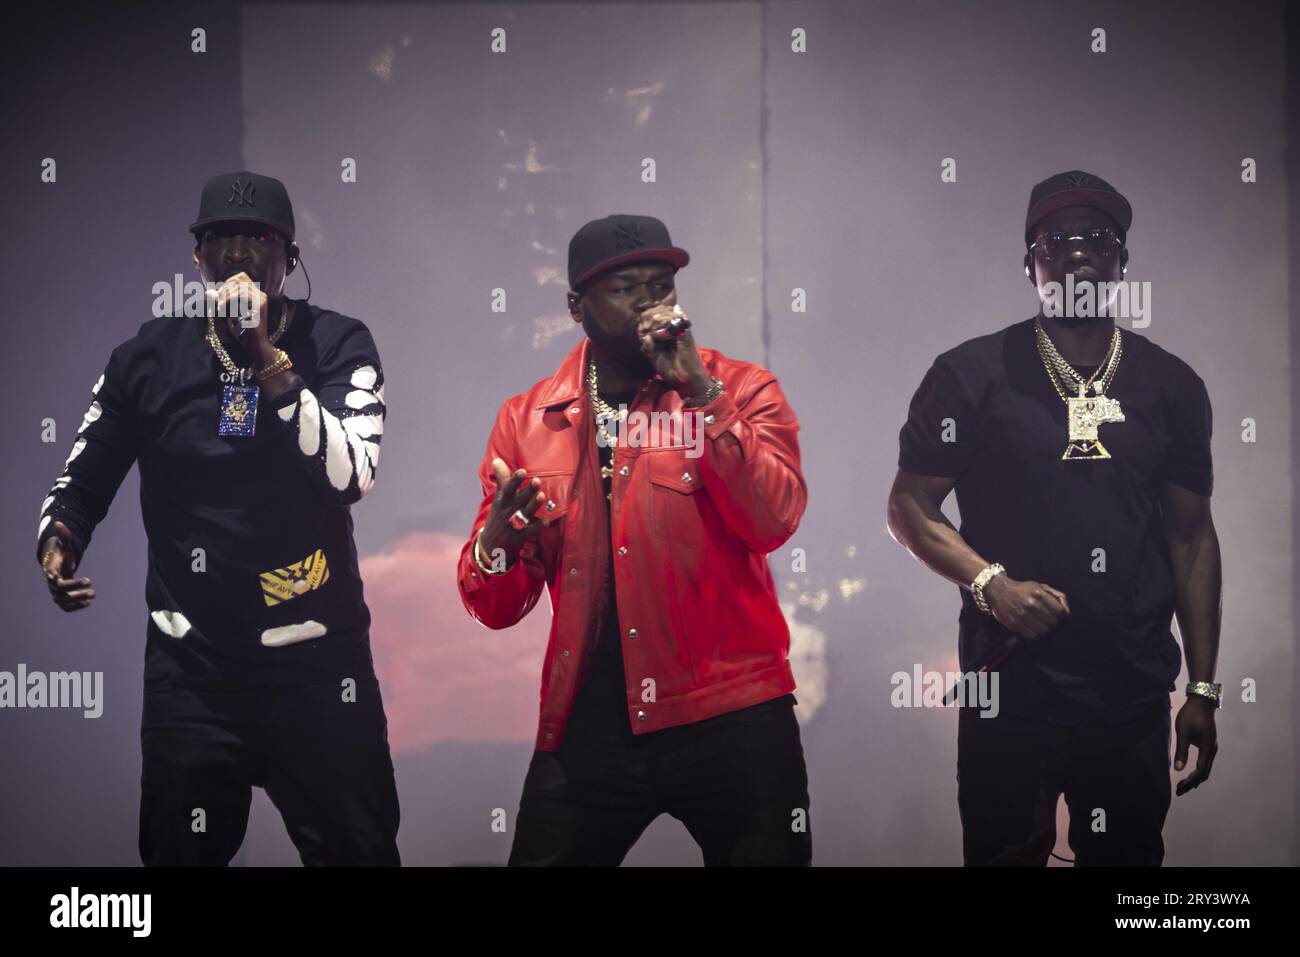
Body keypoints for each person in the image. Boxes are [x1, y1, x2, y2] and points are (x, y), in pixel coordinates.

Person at [37, 171, 399, 866]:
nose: (238, 254)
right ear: (196, 256)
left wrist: (268, 361)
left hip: (318, 666)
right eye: (220, 240)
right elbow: (86, 471)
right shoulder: (148, 357)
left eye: (257, 240)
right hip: (193, 671)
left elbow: (349, 475)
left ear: (289, 259)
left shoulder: (339, 343)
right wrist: (60, 538)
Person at [886, 170, 1222, 866]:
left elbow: (1190, 538)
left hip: (1129, 694)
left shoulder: (1172, 386)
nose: (1078, 252)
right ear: (1029, 261)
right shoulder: (971, 374)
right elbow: (908, 507)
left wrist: (1204, 687)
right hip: (1009, 692)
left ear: (1123, 260)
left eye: (1098, 238)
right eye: (1056, 239)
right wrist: (992, 585)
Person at [457, 214, 812, 866]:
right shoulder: (527, 419)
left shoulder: (738, 388)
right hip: (591, 721)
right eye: (627, 288)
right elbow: (498, 606)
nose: (651, 302)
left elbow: (773, 519)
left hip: (731, 711)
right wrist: (498, 543)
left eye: (662, 285)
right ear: (576, 306)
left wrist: (702, 393)